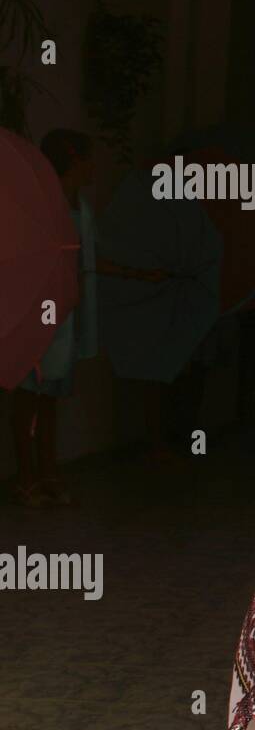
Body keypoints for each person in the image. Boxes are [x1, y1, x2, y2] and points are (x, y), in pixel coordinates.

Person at [10, 129, 101, 508]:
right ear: (74, 160)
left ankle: (48, 471)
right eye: (87, 158)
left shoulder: (78, 203)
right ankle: (27, 477)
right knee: (28, 397)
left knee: (50, 399)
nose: (93, 165)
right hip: (37, 310)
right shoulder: (37, 205)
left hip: (65, 311)